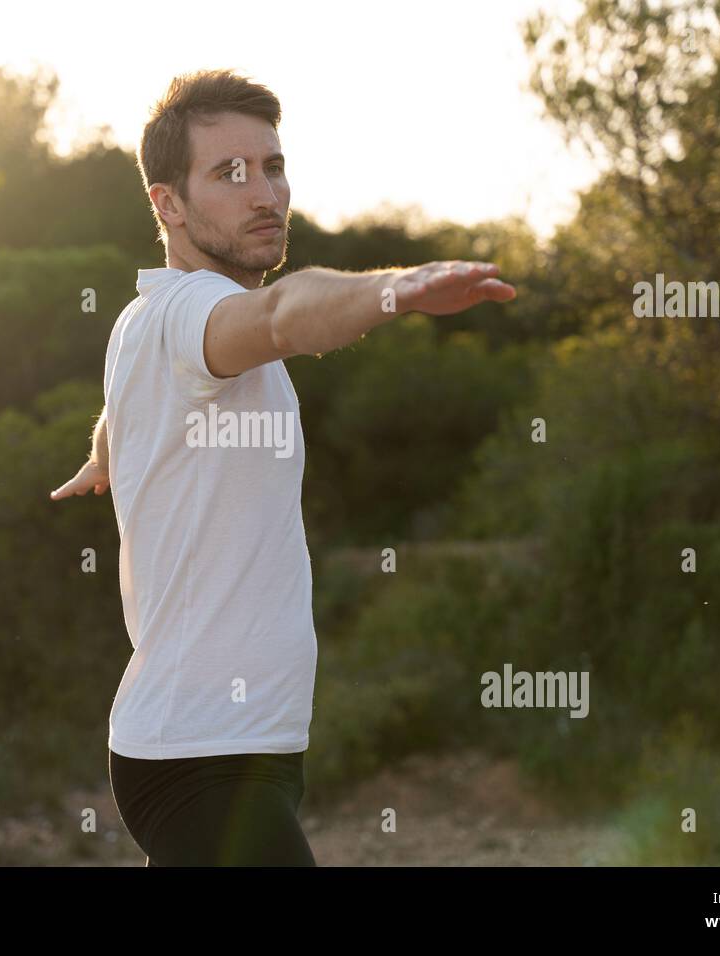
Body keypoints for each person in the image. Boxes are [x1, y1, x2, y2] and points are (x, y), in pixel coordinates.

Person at [50, 69, 516, 866]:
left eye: (271, 166)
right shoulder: (194, 313)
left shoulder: (145, 316)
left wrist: (107, 451)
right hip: (199, 756)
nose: (264, 192)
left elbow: (133, 393)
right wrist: (397, 289)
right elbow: (282, 315)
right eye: (228, 173)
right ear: (168, 203)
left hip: (237, 746)